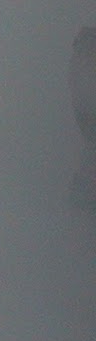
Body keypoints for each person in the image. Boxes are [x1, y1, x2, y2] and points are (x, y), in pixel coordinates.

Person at [71, 27, 96, 209]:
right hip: (88, 117)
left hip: (87, 117)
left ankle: (82, 199)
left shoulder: (79, 61)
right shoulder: (81, 63)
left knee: (90, 154)